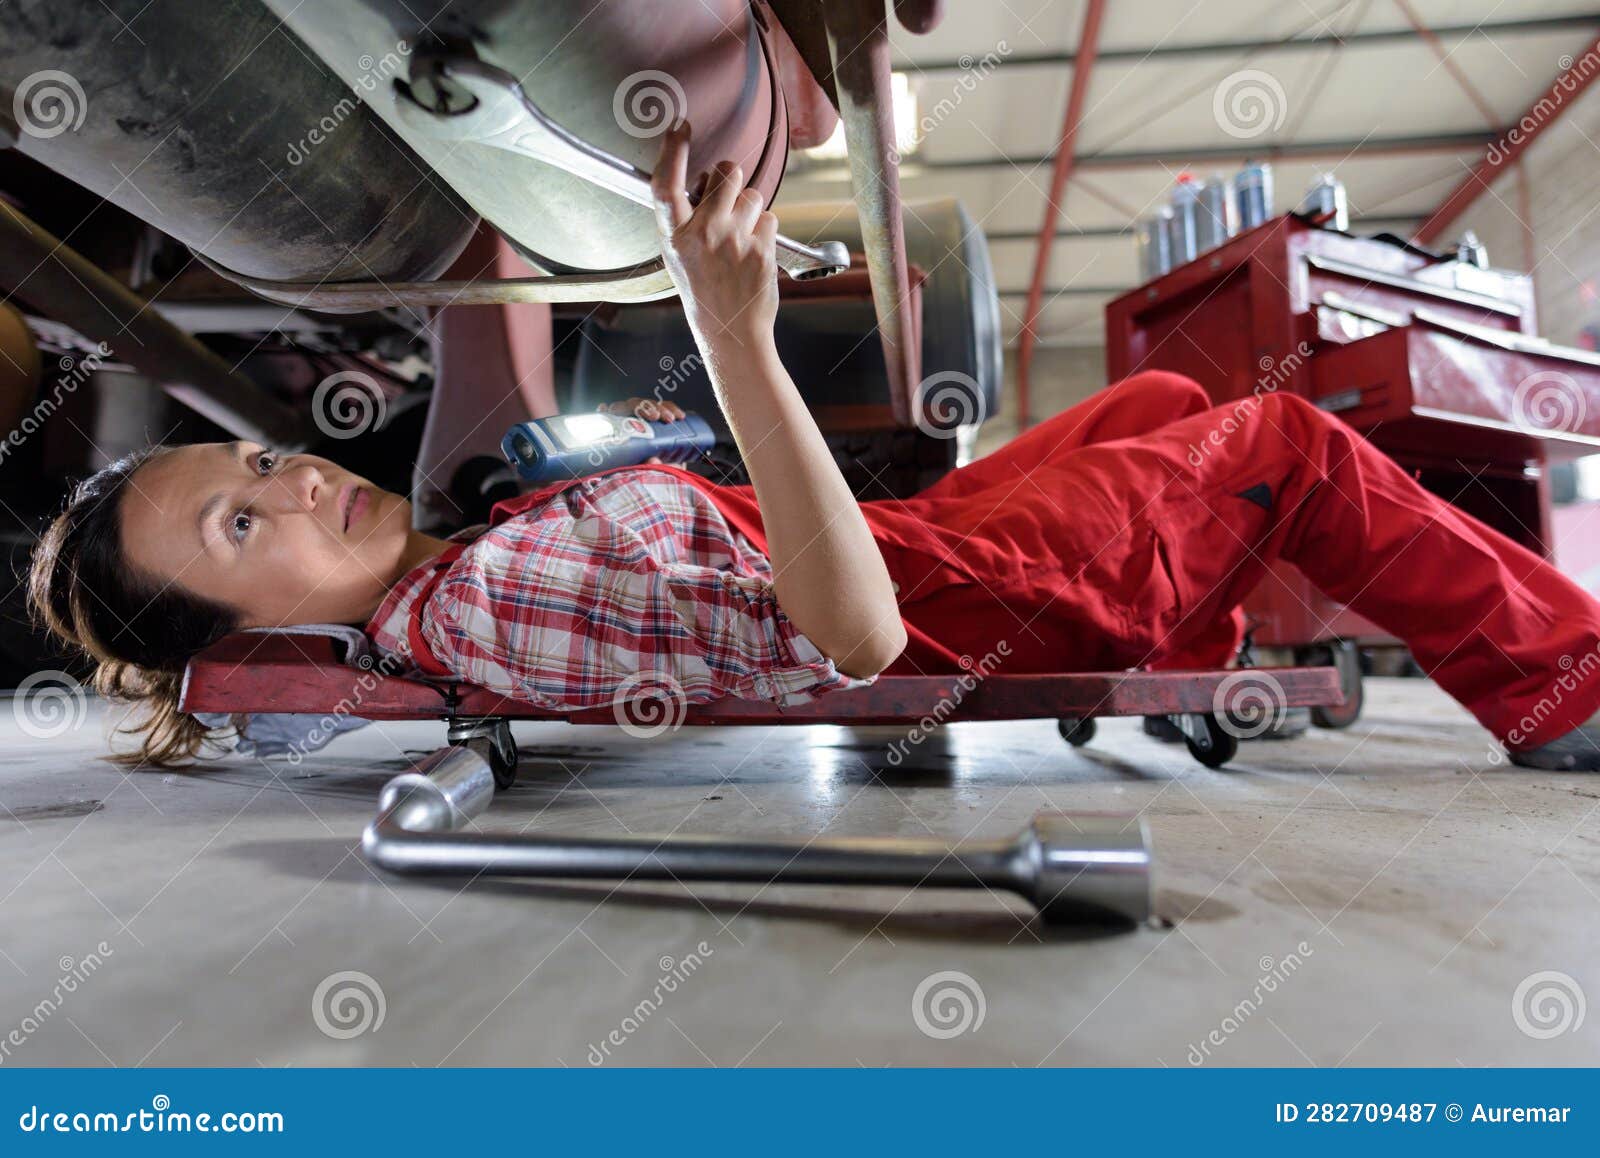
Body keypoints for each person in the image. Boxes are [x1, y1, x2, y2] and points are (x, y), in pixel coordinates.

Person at [27, 124, 1600, 771]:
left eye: (247, 471)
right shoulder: (487, 603)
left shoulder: (456, 568)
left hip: (926, 551)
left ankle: (1186, 650)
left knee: (1164, 414)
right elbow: (855, 637)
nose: (288, 478)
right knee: (1281, 438)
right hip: (965, 607)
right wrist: (732, 331)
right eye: (240, 528)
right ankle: (1561, 687)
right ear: (271, 633)